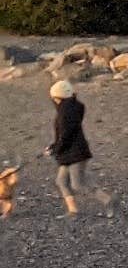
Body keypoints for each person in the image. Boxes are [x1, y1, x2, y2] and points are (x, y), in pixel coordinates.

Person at [46, 74, 97, 215]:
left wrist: (54, 149)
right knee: (61, 181)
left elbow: (65, 136)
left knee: (78, 184)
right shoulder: (74, 108)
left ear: (59, 97)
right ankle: (73, 210)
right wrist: (54, 147)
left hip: (75, 154)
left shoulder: (65, 113)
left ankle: (108, 199)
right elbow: (65, 135)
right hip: (69, 153)